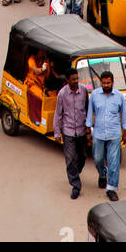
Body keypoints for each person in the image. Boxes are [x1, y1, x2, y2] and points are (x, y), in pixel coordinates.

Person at [85, 69, 126, 201]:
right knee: (98, 159)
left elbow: (124, 116)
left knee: (113, 162)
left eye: (108, 83)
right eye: (103, 83)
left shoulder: (120, 96)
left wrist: (125, 132)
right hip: (98, 133)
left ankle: (111, 188)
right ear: (101, 83)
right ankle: (102, 174)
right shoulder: (94, 95)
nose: (106, 85)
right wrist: (88, 131)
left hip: (114, 133)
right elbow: (89, 114)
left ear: (112, 82)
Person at [53, 70, 90, 199]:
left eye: (77, 79)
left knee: (83, 156)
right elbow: (58, 113)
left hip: (81, 131)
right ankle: (76, 185)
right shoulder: (62, 94)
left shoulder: (84, 91)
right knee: (70, 159)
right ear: (67, 81)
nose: (75, 81)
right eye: (73, 79)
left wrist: (89, 128)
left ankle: (75, 172)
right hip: (68, 131)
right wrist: (57, 132)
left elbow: (87, 109)